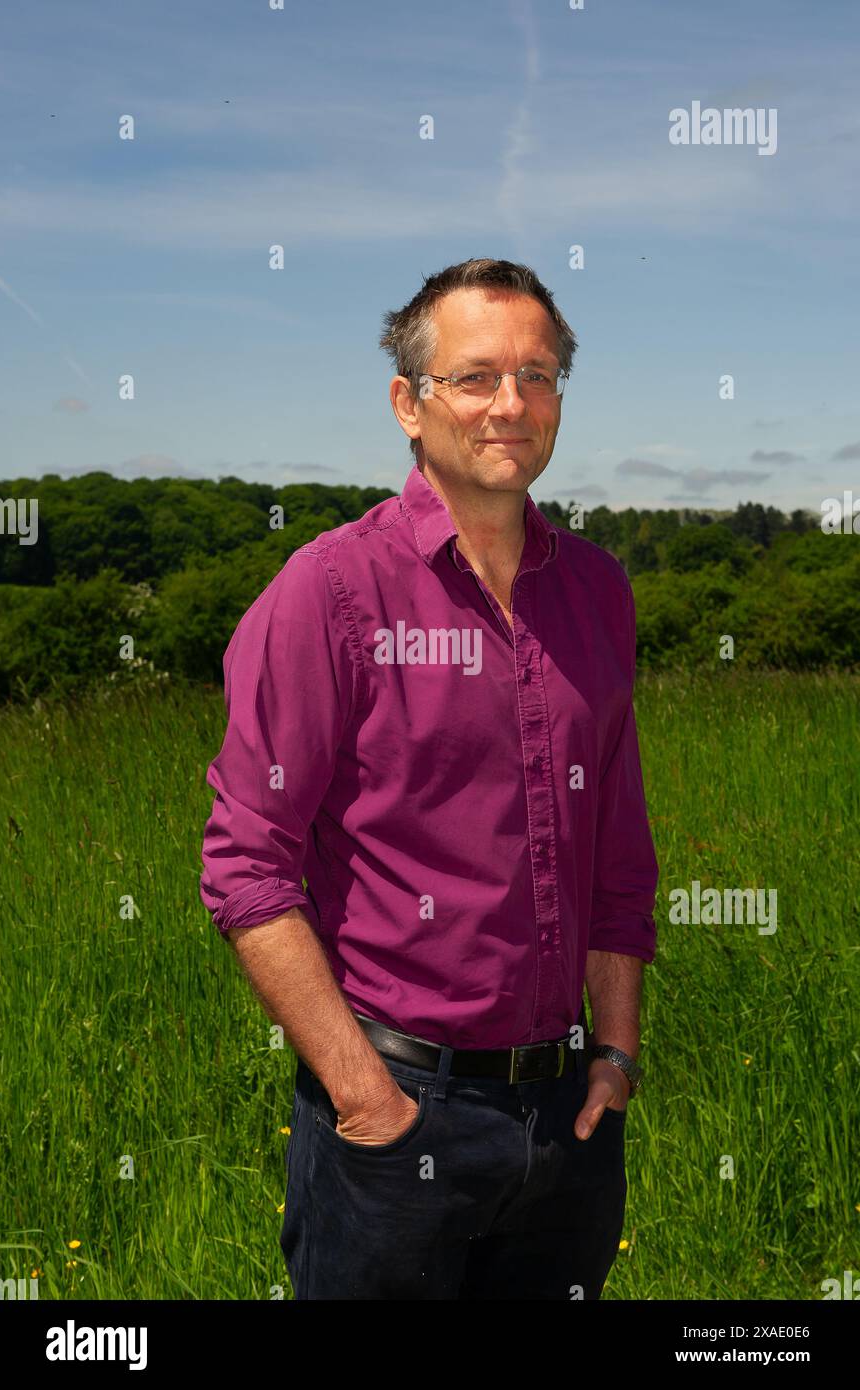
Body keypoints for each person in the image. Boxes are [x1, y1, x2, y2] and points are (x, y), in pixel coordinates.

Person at [199, 257, 659, 1300]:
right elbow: (246, 866)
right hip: (393, 1122)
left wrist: (617, 1055)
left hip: (569, 1125)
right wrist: (364, 1096)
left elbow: (618, 855)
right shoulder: (327, 591)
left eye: (539, 376)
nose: (512, 404)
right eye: (476, 376)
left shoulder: (597, 590)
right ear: (409, 404)